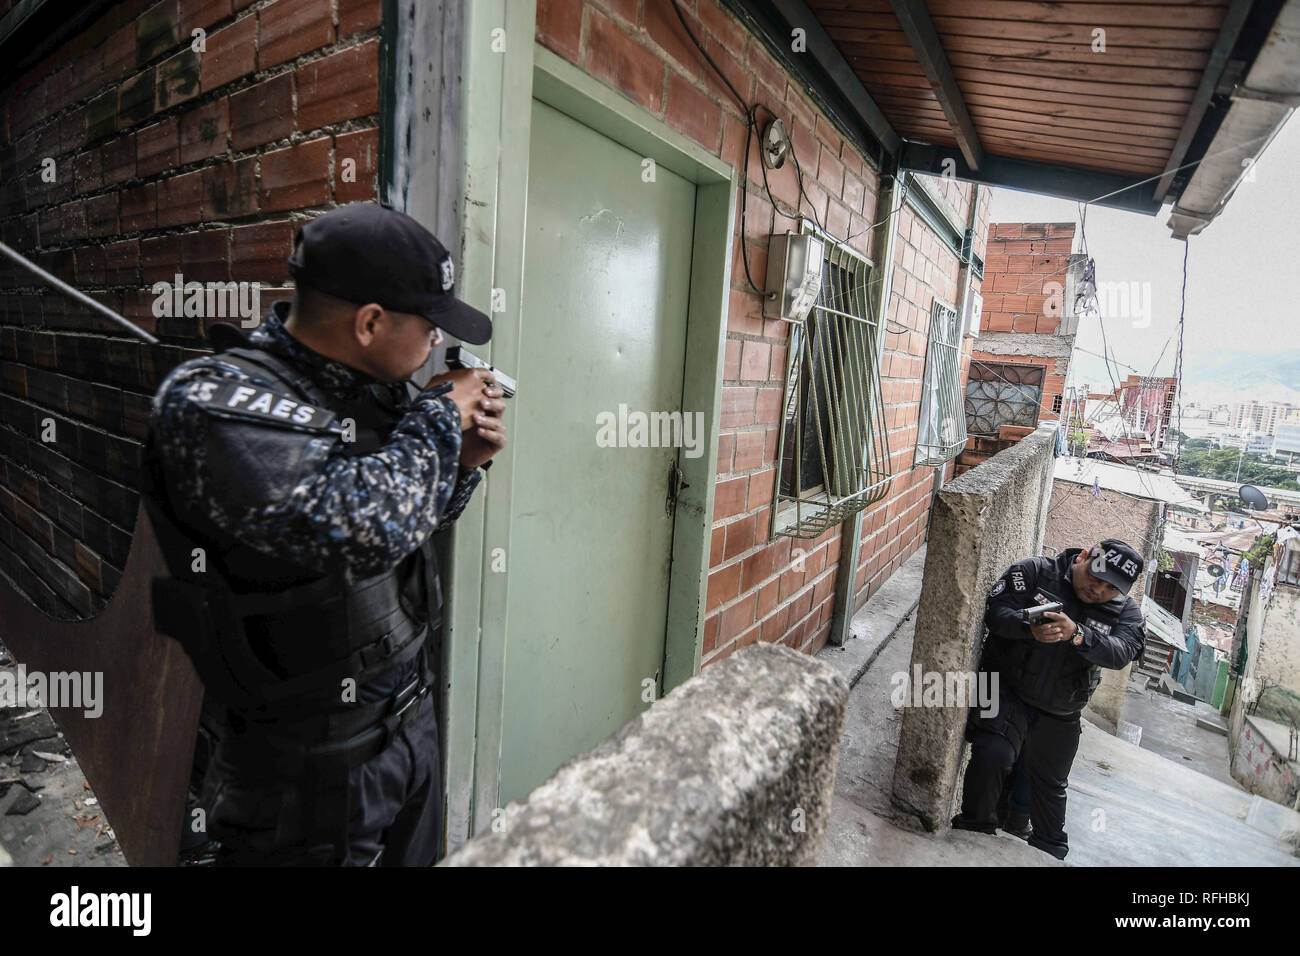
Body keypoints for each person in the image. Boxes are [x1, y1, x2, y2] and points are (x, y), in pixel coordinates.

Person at [143, 202, 507, 866]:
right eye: (429, 329)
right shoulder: (215, 401)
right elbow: (359, 530)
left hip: (405, 727)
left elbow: (403, 537)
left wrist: (458, 466)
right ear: (369, 322)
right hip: (306, 770)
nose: (435, 346)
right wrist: (436, 420)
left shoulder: (369, 392)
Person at [952, 539, 1147, 859]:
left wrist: (1078, 634)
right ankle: (969, 840)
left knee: (1049, 798)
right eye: (1095, 579)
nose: (1098, 591)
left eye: (1111, 588)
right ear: (1083, 557)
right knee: (992, 755)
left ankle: (1042, 850)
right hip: (1000, 686)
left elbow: (1121, 652)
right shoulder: (1035, 571)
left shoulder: (1125, 611)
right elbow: (995, 613)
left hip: (1062, 710)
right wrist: (1027, 626)